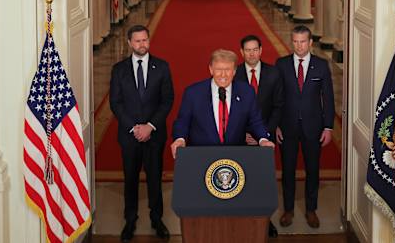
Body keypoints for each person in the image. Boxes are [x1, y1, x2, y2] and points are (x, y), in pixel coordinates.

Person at [109, 25, 174, 242]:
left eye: (145, 40)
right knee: (130, 179)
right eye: (137, 41)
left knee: (155, 178)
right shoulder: (119, 70)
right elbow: (116, 103)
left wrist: (150, 126)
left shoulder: (162, 67)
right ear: (129, 43)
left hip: (154, 135)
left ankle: (157, 219)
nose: (142, 44)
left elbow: (167, 100)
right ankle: (130, 220)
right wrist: (134, 127)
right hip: (129, 136)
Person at [275, 25, 335, 229]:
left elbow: (328, 98)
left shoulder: (321, 65)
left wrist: (328, 127)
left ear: (310, 43)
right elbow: (277, 98)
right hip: (287, 126)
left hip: (313, 127)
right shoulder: (281, 64)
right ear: (292, 42)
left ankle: (311, 210)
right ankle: (288, 210)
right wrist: (276, 125)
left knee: (313, 169)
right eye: (295, 41)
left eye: (303, 42)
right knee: (288, 170)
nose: (299, 46)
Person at [171, 49, 275, 158]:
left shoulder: (246, 92)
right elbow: (183, 122)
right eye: (219, 69)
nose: (223, 75)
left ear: (234, 71)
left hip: (235, 157)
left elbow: (256, 121)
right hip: (201, 156)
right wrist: (180, 139)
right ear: (211, 69)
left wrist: (263, 139)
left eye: (227, 70)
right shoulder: (193, 93)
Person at [236, 34, 284, 238]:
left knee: (264, 180)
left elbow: (278, 106)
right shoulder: (234, 74)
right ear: (241, 52)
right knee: (242, 177)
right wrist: (245, 133)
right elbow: (232, 109)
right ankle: (242, 216)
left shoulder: (273, 74)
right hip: (241, 137)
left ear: (261, 50)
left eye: (255, 50)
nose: (252, 54)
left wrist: (263, 134)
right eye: (248, 50)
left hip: (266, 137)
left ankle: (265, 220)